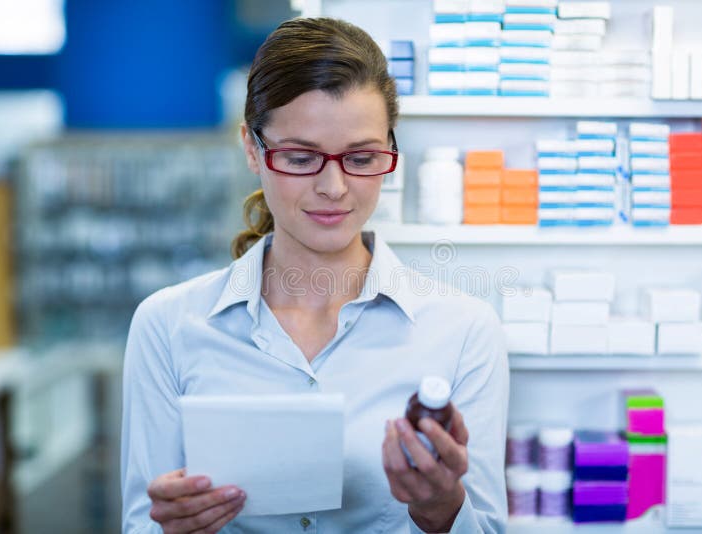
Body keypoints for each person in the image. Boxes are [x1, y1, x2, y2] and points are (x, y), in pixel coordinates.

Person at [121, 17, 509, 534]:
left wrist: (440, 511)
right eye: (300, 157)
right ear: (252, 149)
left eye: (362, 157)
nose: (334, 186)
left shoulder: (463, 331)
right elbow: (142, 523)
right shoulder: (168, 326)